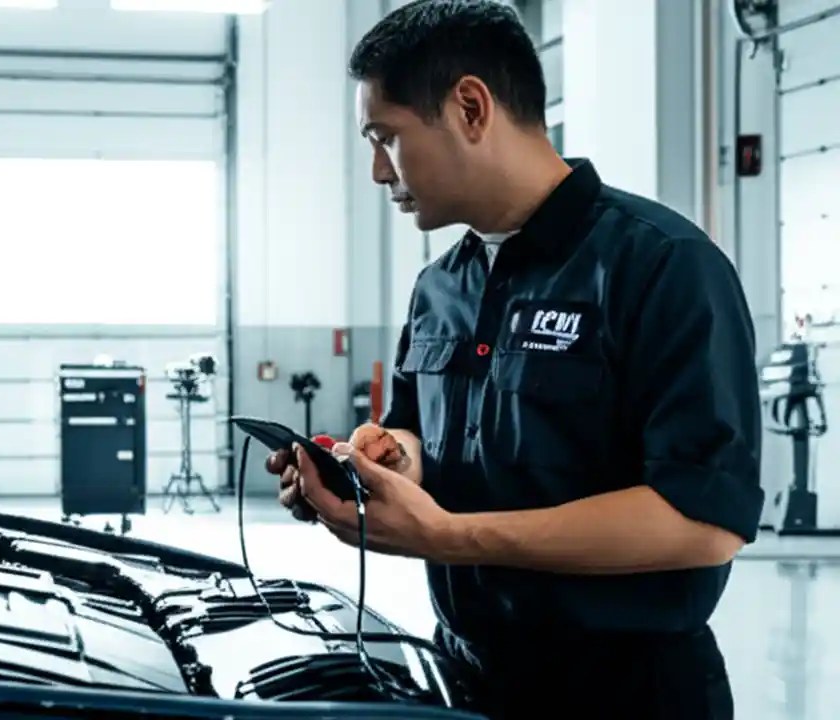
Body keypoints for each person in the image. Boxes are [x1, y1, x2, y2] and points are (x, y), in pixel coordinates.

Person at [266, 1, 763, 717]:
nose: (378, 171)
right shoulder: (440, 286)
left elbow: (704, 524)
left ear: (471, 107)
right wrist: (384, 460)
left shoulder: (663, 267)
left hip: (626, 692)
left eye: (386, 138)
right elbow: (419, 431)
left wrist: (447, 536)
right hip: (470, 676)